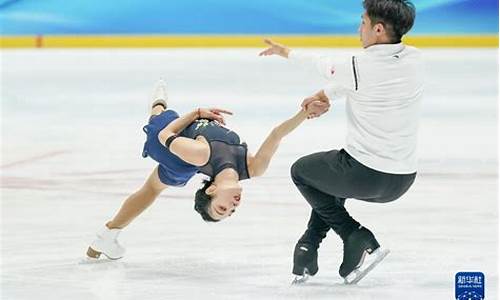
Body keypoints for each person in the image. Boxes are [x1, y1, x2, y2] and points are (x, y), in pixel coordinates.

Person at [259, 0, 423, 284]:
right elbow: (362, 83)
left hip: (366, 175)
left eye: (363, 22)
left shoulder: (356, 64)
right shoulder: (416, 58)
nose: (359, 28)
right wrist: (323, 95)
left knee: (302, 172)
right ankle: (309, 246)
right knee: (331, 176)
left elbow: (321, 64)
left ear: (379, 29)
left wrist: (284, 51)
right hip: (403, 179)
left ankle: (355, 235)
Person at [86, 80, 329, 260]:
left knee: (159, 117)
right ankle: (107, 235)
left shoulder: (200, 154)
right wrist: (304, 113)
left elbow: (164, 135)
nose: (233, 206)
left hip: (173, 148)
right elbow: (277, 135)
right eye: (231, 212)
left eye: (222, 207)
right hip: (187, 148)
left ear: (212, 189)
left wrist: (196, 112)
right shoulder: (254, 168)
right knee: (152, 188)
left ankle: (158, 104)